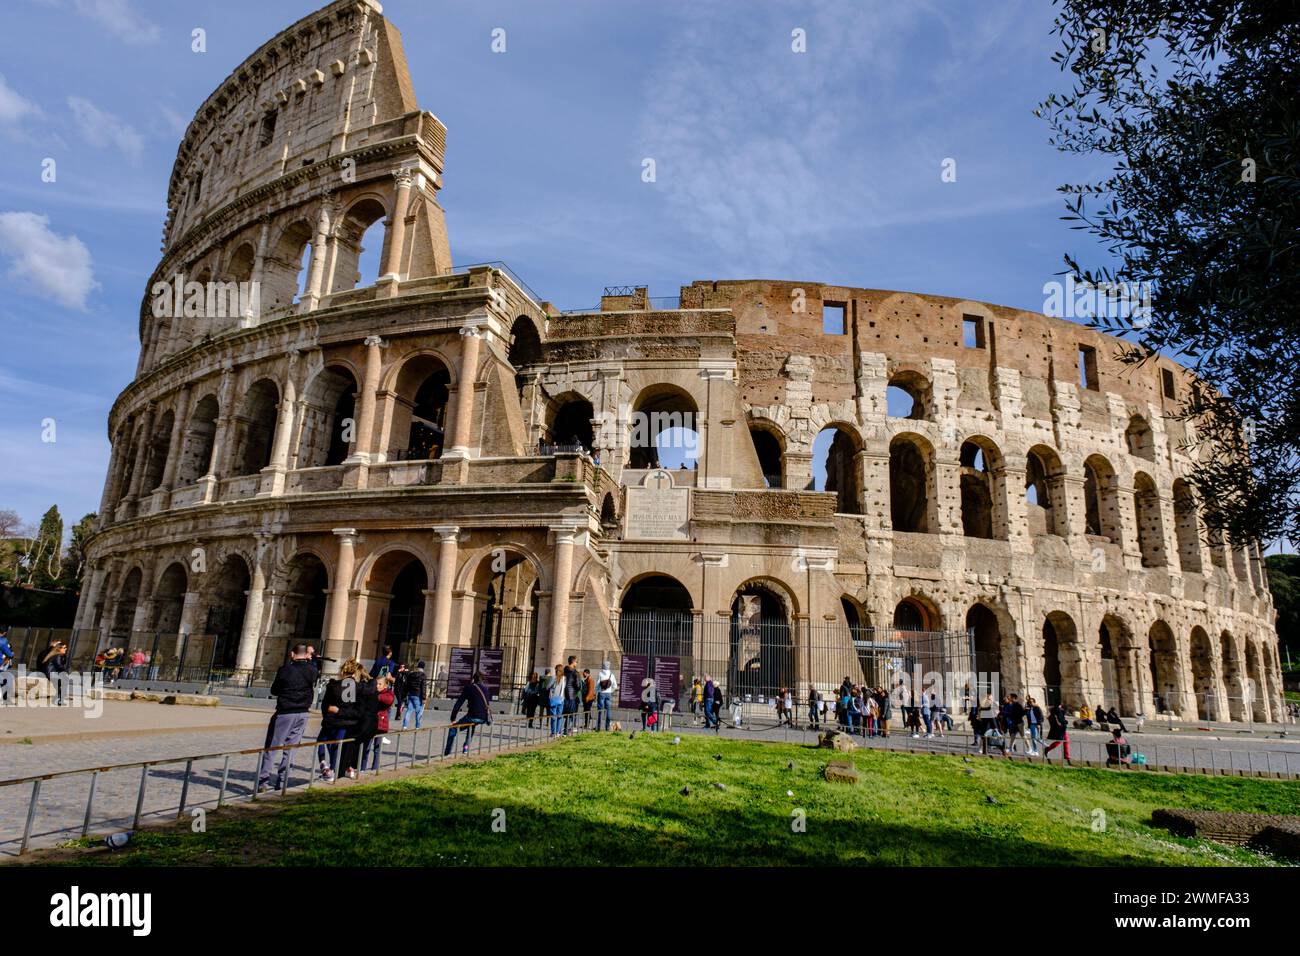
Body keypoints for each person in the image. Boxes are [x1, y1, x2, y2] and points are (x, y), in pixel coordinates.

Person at [257, 643, 318, 791]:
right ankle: (282, 781)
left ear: (292, 654)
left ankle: (263, 781)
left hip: (285, 712)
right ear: (307, 655)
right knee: (291, 748)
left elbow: (275, 690)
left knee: (272, 746)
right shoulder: (312, 670)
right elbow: (315, 673)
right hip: (303, 712)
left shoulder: (285, 670)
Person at [316, 660, 363, 782]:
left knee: (321, 741)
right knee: (337, 745)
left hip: (331, 721)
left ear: (342, 671)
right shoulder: (358, 687)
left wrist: (328, 716)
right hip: (347, 722)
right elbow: (356, 709)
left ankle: (326, 765)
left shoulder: (333, 685)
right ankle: (337, 768)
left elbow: (325, 705)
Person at [341, 668, 378, 779]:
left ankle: (346, 769)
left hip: (363, 724)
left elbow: (357, 710)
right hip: (372, 724)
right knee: (361, 747)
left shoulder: (361, 689)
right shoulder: (372, 688)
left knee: (349, 744)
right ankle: (356, 768)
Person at [445, 670, 493, 755]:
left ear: (473, 679)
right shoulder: (486, 689)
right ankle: (466, 748)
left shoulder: (469, 688)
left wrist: (453, 718)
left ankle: (447, 752)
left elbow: (458, 703)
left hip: (473, 716)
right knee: (472, 725)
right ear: (482, 680)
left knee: (453, 729)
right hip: (483, 718)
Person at [361, 673, 395, 774]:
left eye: (380, 684)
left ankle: (374, 768)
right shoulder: (372, 692)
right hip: (370, 725)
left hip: (380, 725)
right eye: (376, 684)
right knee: (366, 748)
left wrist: (376, 696)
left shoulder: (387, 693)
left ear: (385, 685)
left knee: (377, 749)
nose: (377, 686)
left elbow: (389, 700)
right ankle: (362, 768)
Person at [38, 640, 69, 705]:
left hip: (50, 673)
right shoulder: (58, 655)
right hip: (52, 674)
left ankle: (57, 699)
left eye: (66, 648)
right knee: (64, 682)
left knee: (60, 685)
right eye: (64, 648)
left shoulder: (54, 654)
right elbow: (59, 665)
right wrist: (66, 672)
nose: (66, 649)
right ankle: (59, 700)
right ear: (59, 648)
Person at [400, 659, 426, 729]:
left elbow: (407, 685)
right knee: (418, 712)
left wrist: (405, 694)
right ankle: (417, 726)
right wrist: (424, 698)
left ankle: (404, 726)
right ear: (423, 667)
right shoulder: (423, 675)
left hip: (410, 694)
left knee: (409, 711)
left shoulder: (412, 674)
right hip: (418, 695)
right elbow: (423, 687)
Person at [595, 660, 617, 730]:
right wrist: (610, 691)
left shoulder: (600, 674)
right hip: (608, 694)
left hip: (601, 693)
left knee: (600, 711)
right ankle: (607, 727)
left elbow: (597, 685)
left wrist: (595, 693)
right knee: (608, 710)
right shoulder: (611, 675)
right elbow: (615, 686)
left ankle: (598, 727)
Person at [562, 655, 581, 735]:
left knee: (565, 713)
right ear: (573, 662)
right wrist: (579, 686)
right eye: (576, 662)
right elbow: (577, 685)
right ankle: (567, 730)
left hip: (564, 693)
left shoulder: (564, 670)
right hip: (572, 694)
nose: (577, 664)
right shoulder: (575, 672)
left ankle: (563, 730)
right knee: (571, 713)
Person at [546, 665, 564, 737]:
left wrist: (550, 688)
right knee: (559, 716)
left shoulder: (554, 678)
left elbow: (548, 687)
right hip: (561, 699)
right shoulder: (564, 678)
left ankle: (553, 732)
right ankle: (558, 732)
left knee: (553, 716)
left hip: (553, 699)